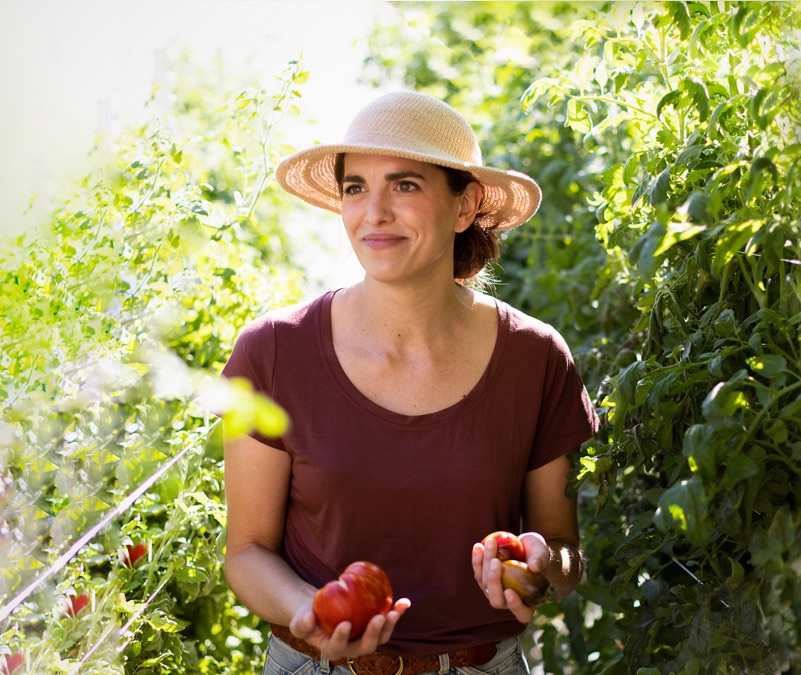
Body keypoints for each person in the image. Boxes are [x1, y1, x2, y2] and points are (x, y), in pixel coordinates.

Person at [220, 90, 599, 675]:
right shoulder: (273, 352)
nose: (374, 212)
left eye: (405, 186)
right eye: (355, 189)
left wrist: (539, 561)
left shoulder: (535, 358)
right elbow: (246, 551)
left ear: (466, 205)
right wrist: (312, 613)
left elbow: (565, 552)